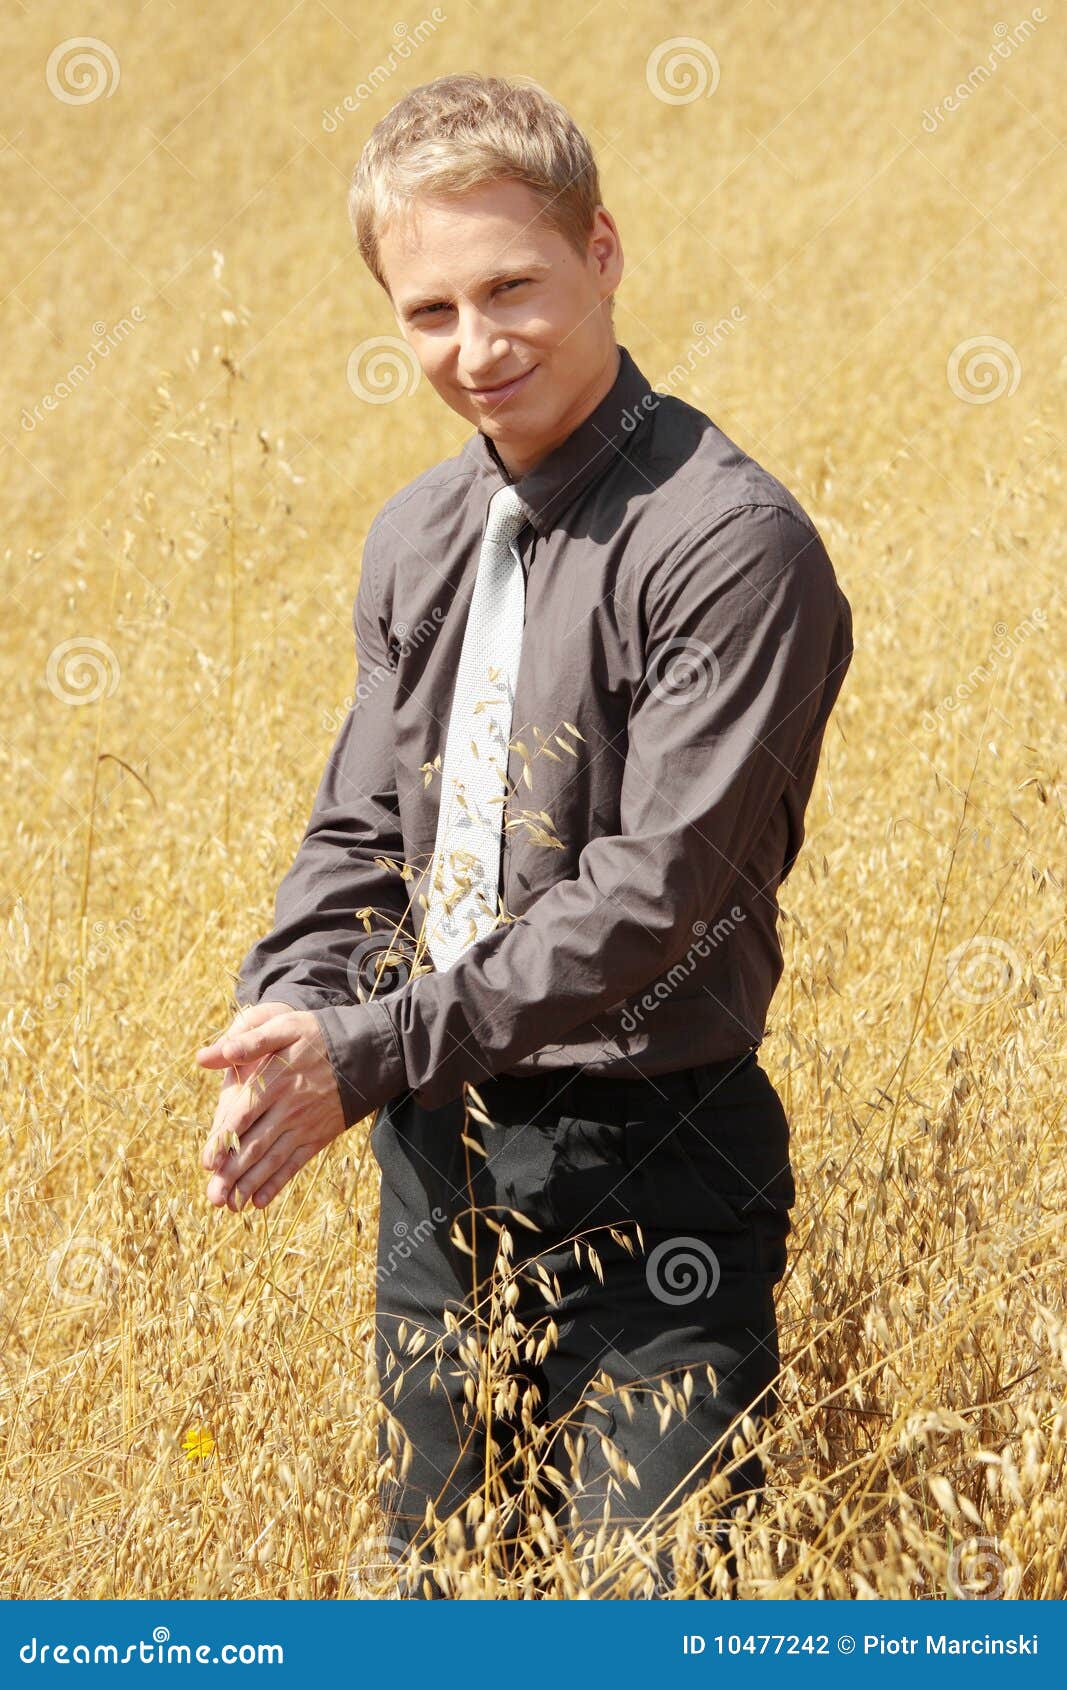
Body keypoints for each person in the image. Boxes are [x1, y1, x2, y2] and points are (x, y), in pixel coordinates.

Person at [195, 72, 854, 1599]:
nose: (476, 350)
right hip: (438, 1155)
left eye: (512, 289)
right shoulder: (418, 533)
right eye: (429, 313)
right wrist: (293, 1000)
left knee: (642, 1610)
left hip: (658, 1166)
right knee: (429, 1600)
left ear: (604, 253)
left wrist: (363, 1053)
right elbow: (365, 823)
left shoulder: (729, 543)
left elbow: (655, 897)